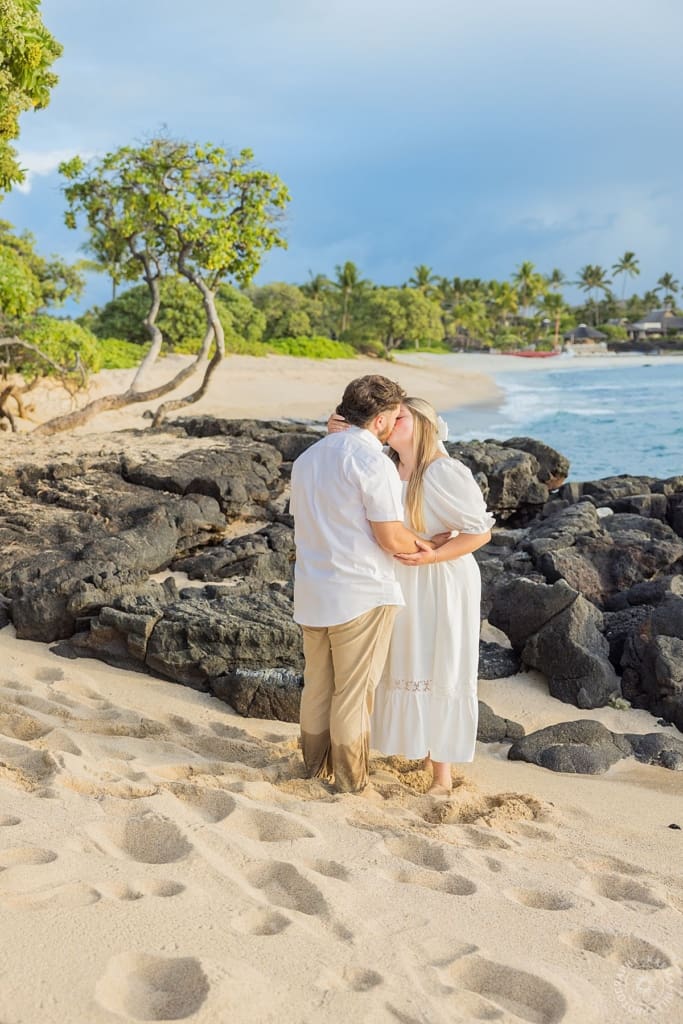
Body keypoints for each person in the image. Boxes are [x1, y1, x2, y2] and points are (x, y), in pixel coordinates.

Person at [328, 397, 493, 794]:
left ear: (423, 424)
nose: (389, 422)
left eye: (399, 416)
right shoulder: (384, 466)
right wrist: (338, 433)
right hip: (400, 577)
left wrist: (433, 554)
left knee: (441, 663)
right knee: (407, 661)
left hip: (441, 580)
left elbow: (480, 533)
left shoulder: (443, 471)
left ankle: (442, 775)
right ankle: (421, 750)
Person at [290, 376, 432, 793]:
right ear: (381, 419)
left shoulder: (307, 459)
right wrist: (425, 545)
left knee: (318, 688)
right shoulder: (372, 462)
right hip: (360, 592)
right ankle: (351, 783)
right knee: (353, 694)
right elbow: (389, 536)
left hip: (313, 589)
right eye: (395, 416)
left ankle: (313, 770)